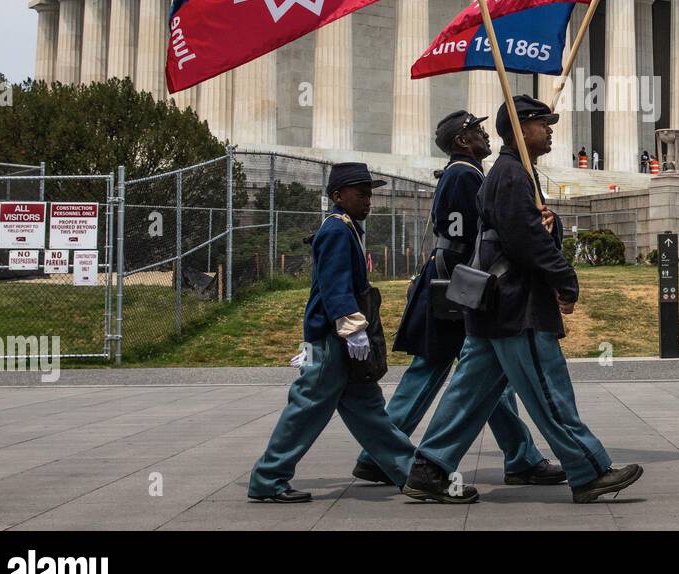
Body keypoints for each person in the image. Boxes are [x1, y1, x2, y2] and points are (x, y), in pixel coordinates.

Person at [403, 95, 642, 504]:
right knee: (550, 390)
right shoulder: (513, 174)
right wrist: (566, 278)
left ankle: (430, 468)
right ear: (520, 129)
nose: (549, 129)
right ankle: (588, 470)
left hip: (492, 307)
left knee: (468, 394)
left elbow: (523, 229)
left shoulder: (509, 173)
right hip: (517, 305)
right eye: (541, 123)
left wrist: (551, 224)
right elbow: (524, 239)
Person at [351, 112, 562, 488]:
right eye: (477, 131)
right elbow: (475, 237)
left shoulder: (459, 173)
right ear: (462, 141)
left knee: (470, 375)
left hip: (453, 282)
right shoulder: (466, 175)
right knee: (458, 373)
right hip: (460, 285)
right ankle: (519, 457)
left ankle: (518, 456)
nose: (484, 135)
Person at [248, 163, 418, 502]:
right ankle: (268, 478)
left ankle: (411, 470)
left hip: (339, 337)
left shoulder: (345, 227)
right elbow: (334, 286)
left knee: (369, 411)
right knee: (307, 406)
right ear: (338, 196)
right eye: (360, 193)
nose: (368, 200)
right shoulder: (337, 230)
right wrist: (352, 329)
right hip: (334, 339)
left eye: (370, 193)